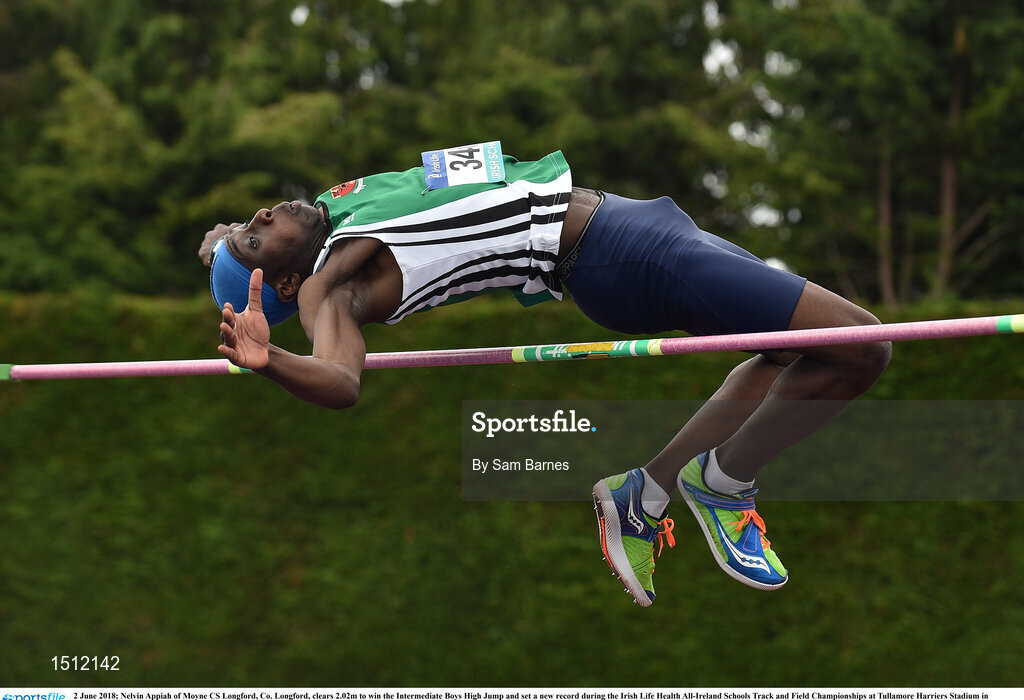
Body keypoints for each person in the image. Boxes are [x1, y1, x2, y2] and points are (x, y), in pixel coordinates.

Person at [199, 146, 891, 607]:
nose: (262, 215)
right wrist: (272, 359)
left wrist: (222, 244)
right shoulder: (333, 283)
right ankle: (722, 483)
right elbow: (340, 378)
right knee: (860, 347)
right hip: (621, 256)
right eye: (255, 237)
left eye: (251, 221)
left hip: (626, 222)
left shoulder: (331, 210)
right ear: (286, 282)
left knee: (792, 353)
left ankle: (644, 494)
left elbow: (238, 243)